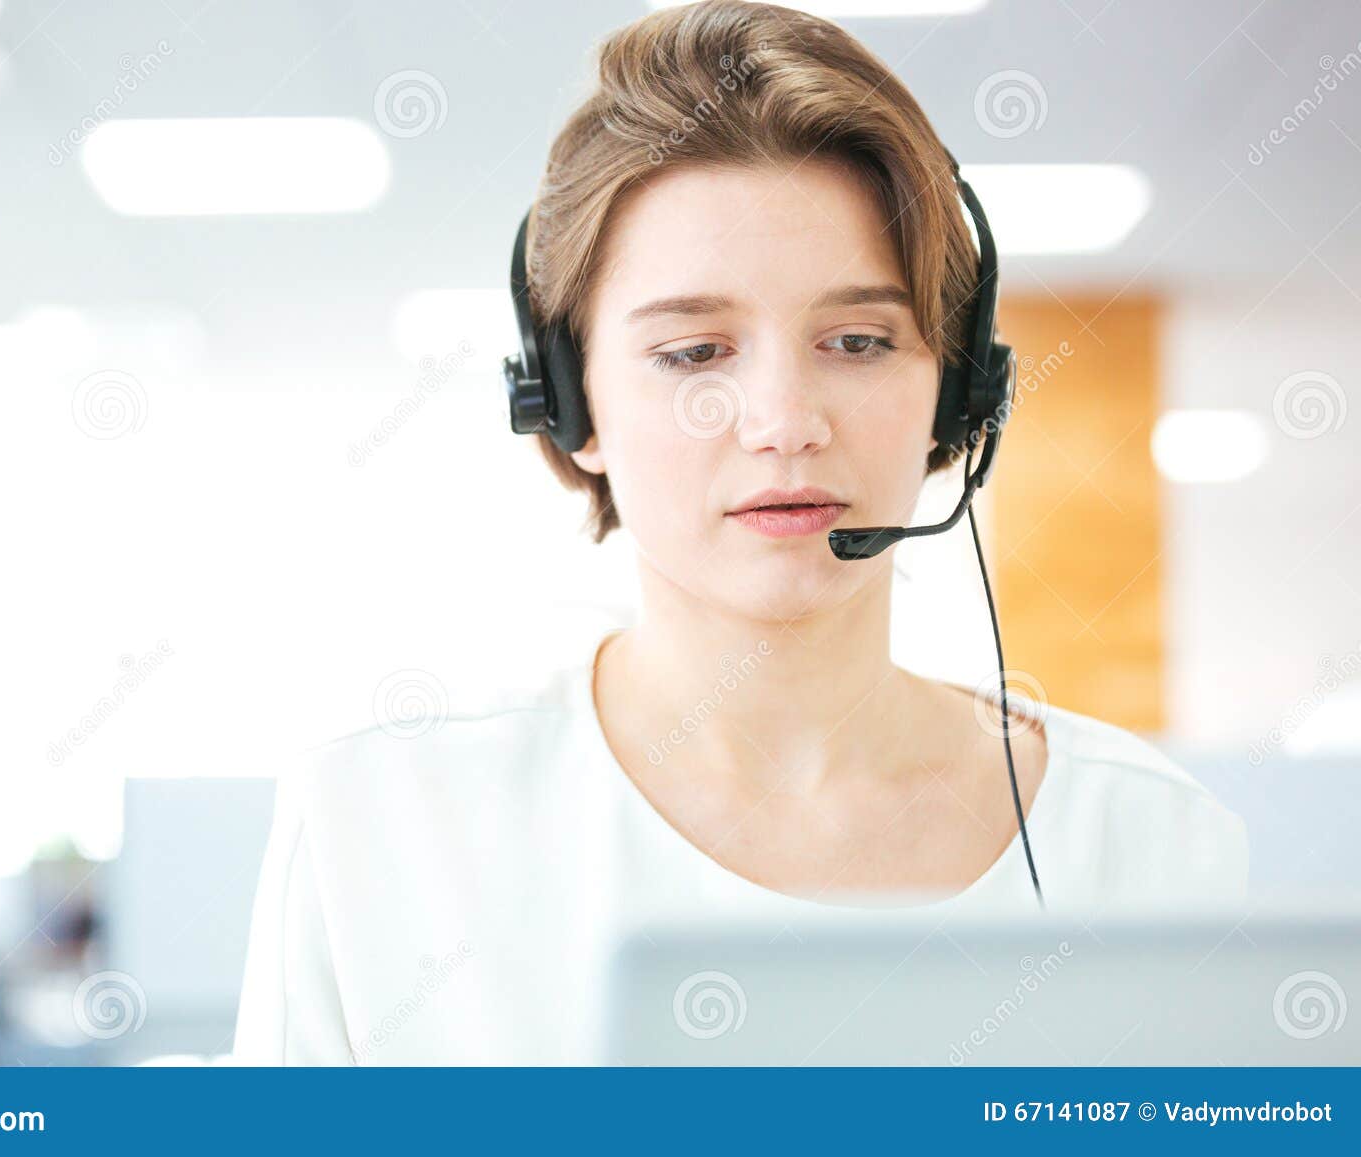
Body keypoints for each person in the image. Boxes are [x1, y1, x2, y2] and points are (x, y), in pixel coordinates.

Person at [232, 0, 1247, 1066]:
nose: (783, 423)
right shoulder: (383, 827)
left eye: (857, 340)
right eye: (692, 352)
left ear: (957, 398)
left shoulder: (1148, 845)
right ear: (571, 405)